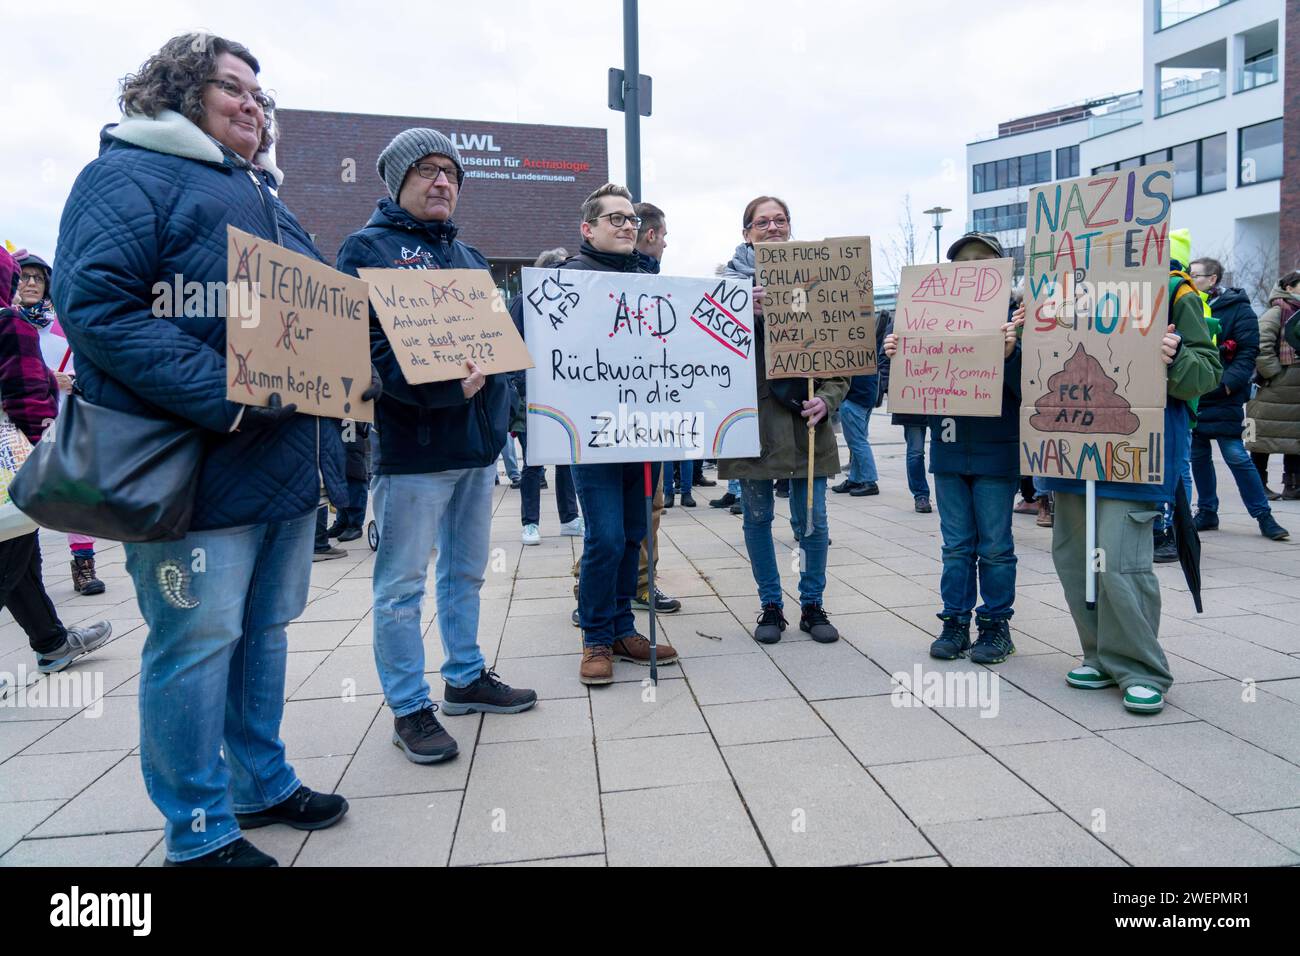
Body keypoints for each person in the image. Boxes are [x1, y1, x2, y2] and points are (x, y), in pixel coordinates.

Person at [53, 34, 357, 866]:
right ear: (178, 93)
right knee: (193, 643)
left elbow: (317, 324)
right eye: (233, 88)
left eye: (261, 95)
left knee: (264, 632)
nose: (253, 105)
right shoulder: (124, 175)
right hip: (192, 469)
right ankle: (197, 828)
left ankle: (260, 782)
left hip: (283, 465)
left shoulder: (267, 197)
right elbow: (100, 309)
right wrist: (229, 395)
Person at [337, 127, 537, 762]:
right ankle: (408, 707)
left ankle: (465, 676)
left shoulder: (471, 258)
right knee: (400, 586)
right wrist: (450, 389)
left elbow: (500, 347)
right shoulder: (365, 250)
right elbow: (362, 356)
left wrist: (498, 399)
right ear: (397, 180)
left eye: (451, 173)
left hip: (476, 450)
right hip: (415, 453)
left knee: (467, 574)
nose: (443, 181)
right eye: (427, 170)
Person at [1039, 250, 1221, 715]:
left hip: (1135, 452)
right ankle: (1099, 654)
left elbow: (1206, 371)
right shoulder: (1065, 290)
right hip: (1075, 450)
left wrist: (1176, 355)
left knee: (1119, 562)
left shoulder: (1177, 291)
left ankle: (1141, 669)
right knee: (1076, 560)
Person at [558, 184, 679, 684]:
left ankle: (624, 626)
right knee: (604, 537)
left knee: (633, 535)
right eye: (615, 219)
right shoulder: (565, 280)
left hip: (644, 429)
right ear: (588, 229)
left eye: (631, 219)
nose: (628, 226)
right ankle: (595, 637)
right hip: (594, 435)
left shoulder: (649, 280)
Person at [883, 232, 1023, 664]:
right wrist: (898, 356)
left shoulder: (1024, 320)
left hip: (997, 452)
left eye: (982, 261)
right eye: (963, 262)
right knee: (956, 544)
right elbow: (916, 391)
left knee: (995, 545)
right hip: (947, 449)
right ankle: (955, 622)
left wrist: (1012, 354)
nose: (973, 268)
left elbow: (1035, 392)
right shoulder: (931, 317)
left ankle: (996, 627)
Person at [720, 196, 848, 645]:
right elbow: (703, 355)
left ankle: (812, 604)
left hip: (804, 423)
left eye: (780, 220)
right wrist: (738, 310)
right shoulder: (723, 285)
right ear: (746, 232)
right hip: (751, 423)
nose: (772, 227)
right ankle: (770, 604)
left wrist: (828, 400)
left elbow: (841, 355)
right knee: (756, 517)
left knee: (811, 519)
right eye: (762, 221)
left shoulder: (820, 276)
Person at [0, 248, 114, 675]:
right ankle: (52, 642)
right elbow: (28, 399)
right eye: (18, 278)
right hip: (11, 459)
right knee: (10, 548)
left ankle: (52, 642)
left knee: (19, 547)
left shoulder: (38, 324)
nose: (25, 285)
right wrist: (46, 458)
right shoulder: (9, 323)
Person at [13, 253, 105, 595]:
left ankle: (84, 566)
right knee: (23, 497)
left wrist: (72, 380)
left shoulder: (60, 325)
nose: (32, 283)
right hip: (20, 425)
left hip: (64, 420)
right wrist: (47, 380)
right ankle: (25, 576)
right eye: (25, 276)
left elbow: (90, 365)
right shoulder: (8, 323)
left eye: (38, 278)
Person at [1186, 258, 1288, 540]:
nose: (1190, 279)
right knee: (1198, 455)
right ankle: (1206, 511)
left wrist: (1228, 385)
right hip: (1194, 390)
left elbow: (1247, 351)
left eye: (1195, 275)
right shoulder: (1187, 303)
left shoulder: (1238, 308)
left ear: (1213, 278)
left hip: (1224, 393)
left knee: (1235, 455)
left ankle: (1263, 516)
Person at [508, 248, 582, 547]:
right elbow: (513, 346)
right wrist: (518, 385)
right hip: (531, 392)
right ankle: (530, 523)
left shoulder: (571, 304)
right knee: (533, 462)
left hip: (561, 390)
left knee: (566, 458)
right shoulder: (522, 304)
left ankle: (569, 518)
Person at [631, 201, 682, 613]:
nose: (665, 243)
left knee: (651, 503)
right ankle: (609, 585)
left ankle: (640, 582)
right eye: (663, 235)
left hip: (653, 413)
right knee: (629, 509)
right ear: (651, 235)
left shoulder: (655, 283)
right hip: (628, 415)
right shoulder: (624, 279)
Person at [1246, 270, 1300, 501]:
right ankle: (1259, 485)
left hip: (1294, 390)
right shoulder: (1277, 312)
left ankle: (1294, 485)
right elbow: (1260, 344)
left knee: (1295, 437)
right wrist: (1274, 374)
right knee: (1262, 440)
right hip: (1273, 389)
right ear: (1289, 287)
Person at [880, 311, 932, 513]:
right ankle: (921, 495)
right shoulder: (898, 324)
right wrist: (890, 388)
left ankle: (946, 495)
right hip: (912, 400)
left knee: (941, 450)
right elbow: (884, 359)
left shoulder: (948, 321)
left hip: (944, 399)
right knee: (916, 452)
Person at [831, 316, 889, 496]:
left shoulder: (852, 346)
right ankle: (856, 478)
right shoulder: (867, 343)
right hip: (865, 398)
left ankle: (870, 481)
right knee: (858, 440)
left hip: (855, 398)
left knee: (857, 442)